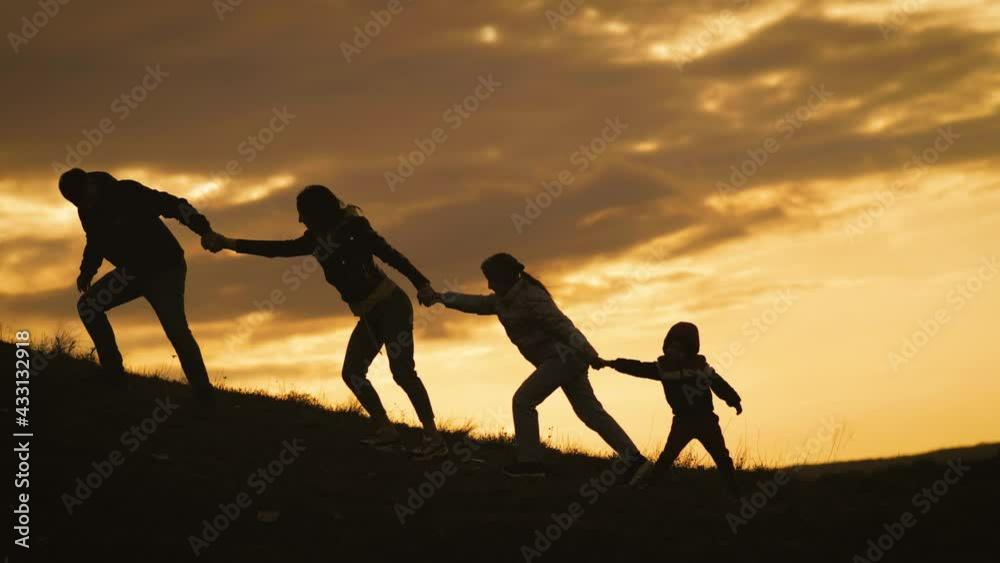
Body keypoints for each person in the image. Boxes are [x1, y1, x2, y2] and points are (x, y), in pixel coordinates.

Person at [201, 185, 446, 459]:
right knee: (352, 372)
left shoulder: (355, 228)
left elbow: (390, 254)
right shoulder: (316, 239)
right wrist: (228, 243)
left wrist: (422, 284)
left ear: (316, 212)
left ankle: (433, 437)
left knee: (402, 373)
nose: (299, 220)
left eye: (302, 214)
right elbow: (277, 250)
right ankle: (386, 431)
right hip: (369, 314)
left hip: (391, 306)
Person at [429, 253, 651, 482]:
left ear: (504, 277)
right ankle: (635, 461)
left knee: (523, 401)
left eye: (491, 279)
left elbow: (563, 327)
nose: (489, 285)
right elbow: (476, 303)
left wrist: (590, 354)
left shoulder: (532, 298)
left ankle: (530, 463)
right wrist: (440, 298)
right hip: (562, 360)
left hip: (564, 358)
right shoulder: (502, 299)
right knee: (590, 413)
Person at [59, 168, 216, 405]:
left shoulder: (127, 191)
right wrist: (86, 271)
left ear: (91, 182)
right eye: (77, 202)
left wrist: (202, 228)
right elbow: (95, 242)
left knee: (176, 330)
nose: (83, 203)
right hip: (131, 274)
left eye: (83, 196)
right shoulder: (87, 211)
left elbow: (171, 204)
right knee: (89, 306)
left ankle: (204, 395)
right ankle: (114, 376)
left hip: (165, 267)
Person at [599, 321, 742, 494]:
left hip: (706, 420)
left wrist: (734, 400)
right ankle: (650, 485)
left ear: (689, 351)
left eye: (679, 349)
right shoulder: (663, 369)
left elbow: (719, 385)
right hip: (682, 421)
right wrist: (613, 363)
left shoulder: (700, 368)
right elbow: (638, 367)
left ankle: (735, 491)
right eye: (670, 348)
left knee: (721, 456)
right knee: (667, 455)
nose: (673, 352)